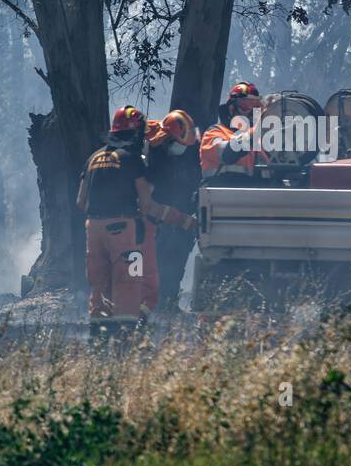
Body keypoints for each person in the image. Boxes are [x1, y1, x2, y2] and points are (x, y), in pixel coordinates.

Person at [77, 106, 197, 321]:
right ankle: (129, 329)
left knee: (101, 282)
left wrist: (103, 213)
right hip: (131, 230)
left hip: (95, 229)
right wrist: (183, 220)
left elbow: (80, 201)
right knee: (137, 280)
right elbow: (147, 204)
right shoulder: (134, 159)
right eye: (178, 144)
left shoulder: (94, 157)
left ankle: (101, 332)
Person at [142, 110, 202, 310]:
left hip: (180, 211)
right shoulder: (152, 148)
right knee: (156, 261)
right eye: (178, 144)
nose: (182, 148)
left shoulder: (192, 146)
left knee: (176, 257)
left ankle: (168, 301)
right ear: (167, 137)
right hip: (156, 215)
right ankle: (151, 304)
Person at [199, 81, 268, 185]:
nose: (251, 112)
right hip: (218, 197)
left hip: (256, 199)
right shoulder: (214, 133)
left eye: (255, 107)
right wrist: (254, 133)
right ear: (231, 108)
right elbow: (227, 154)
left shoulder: (259, 141)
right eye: (245, 106)